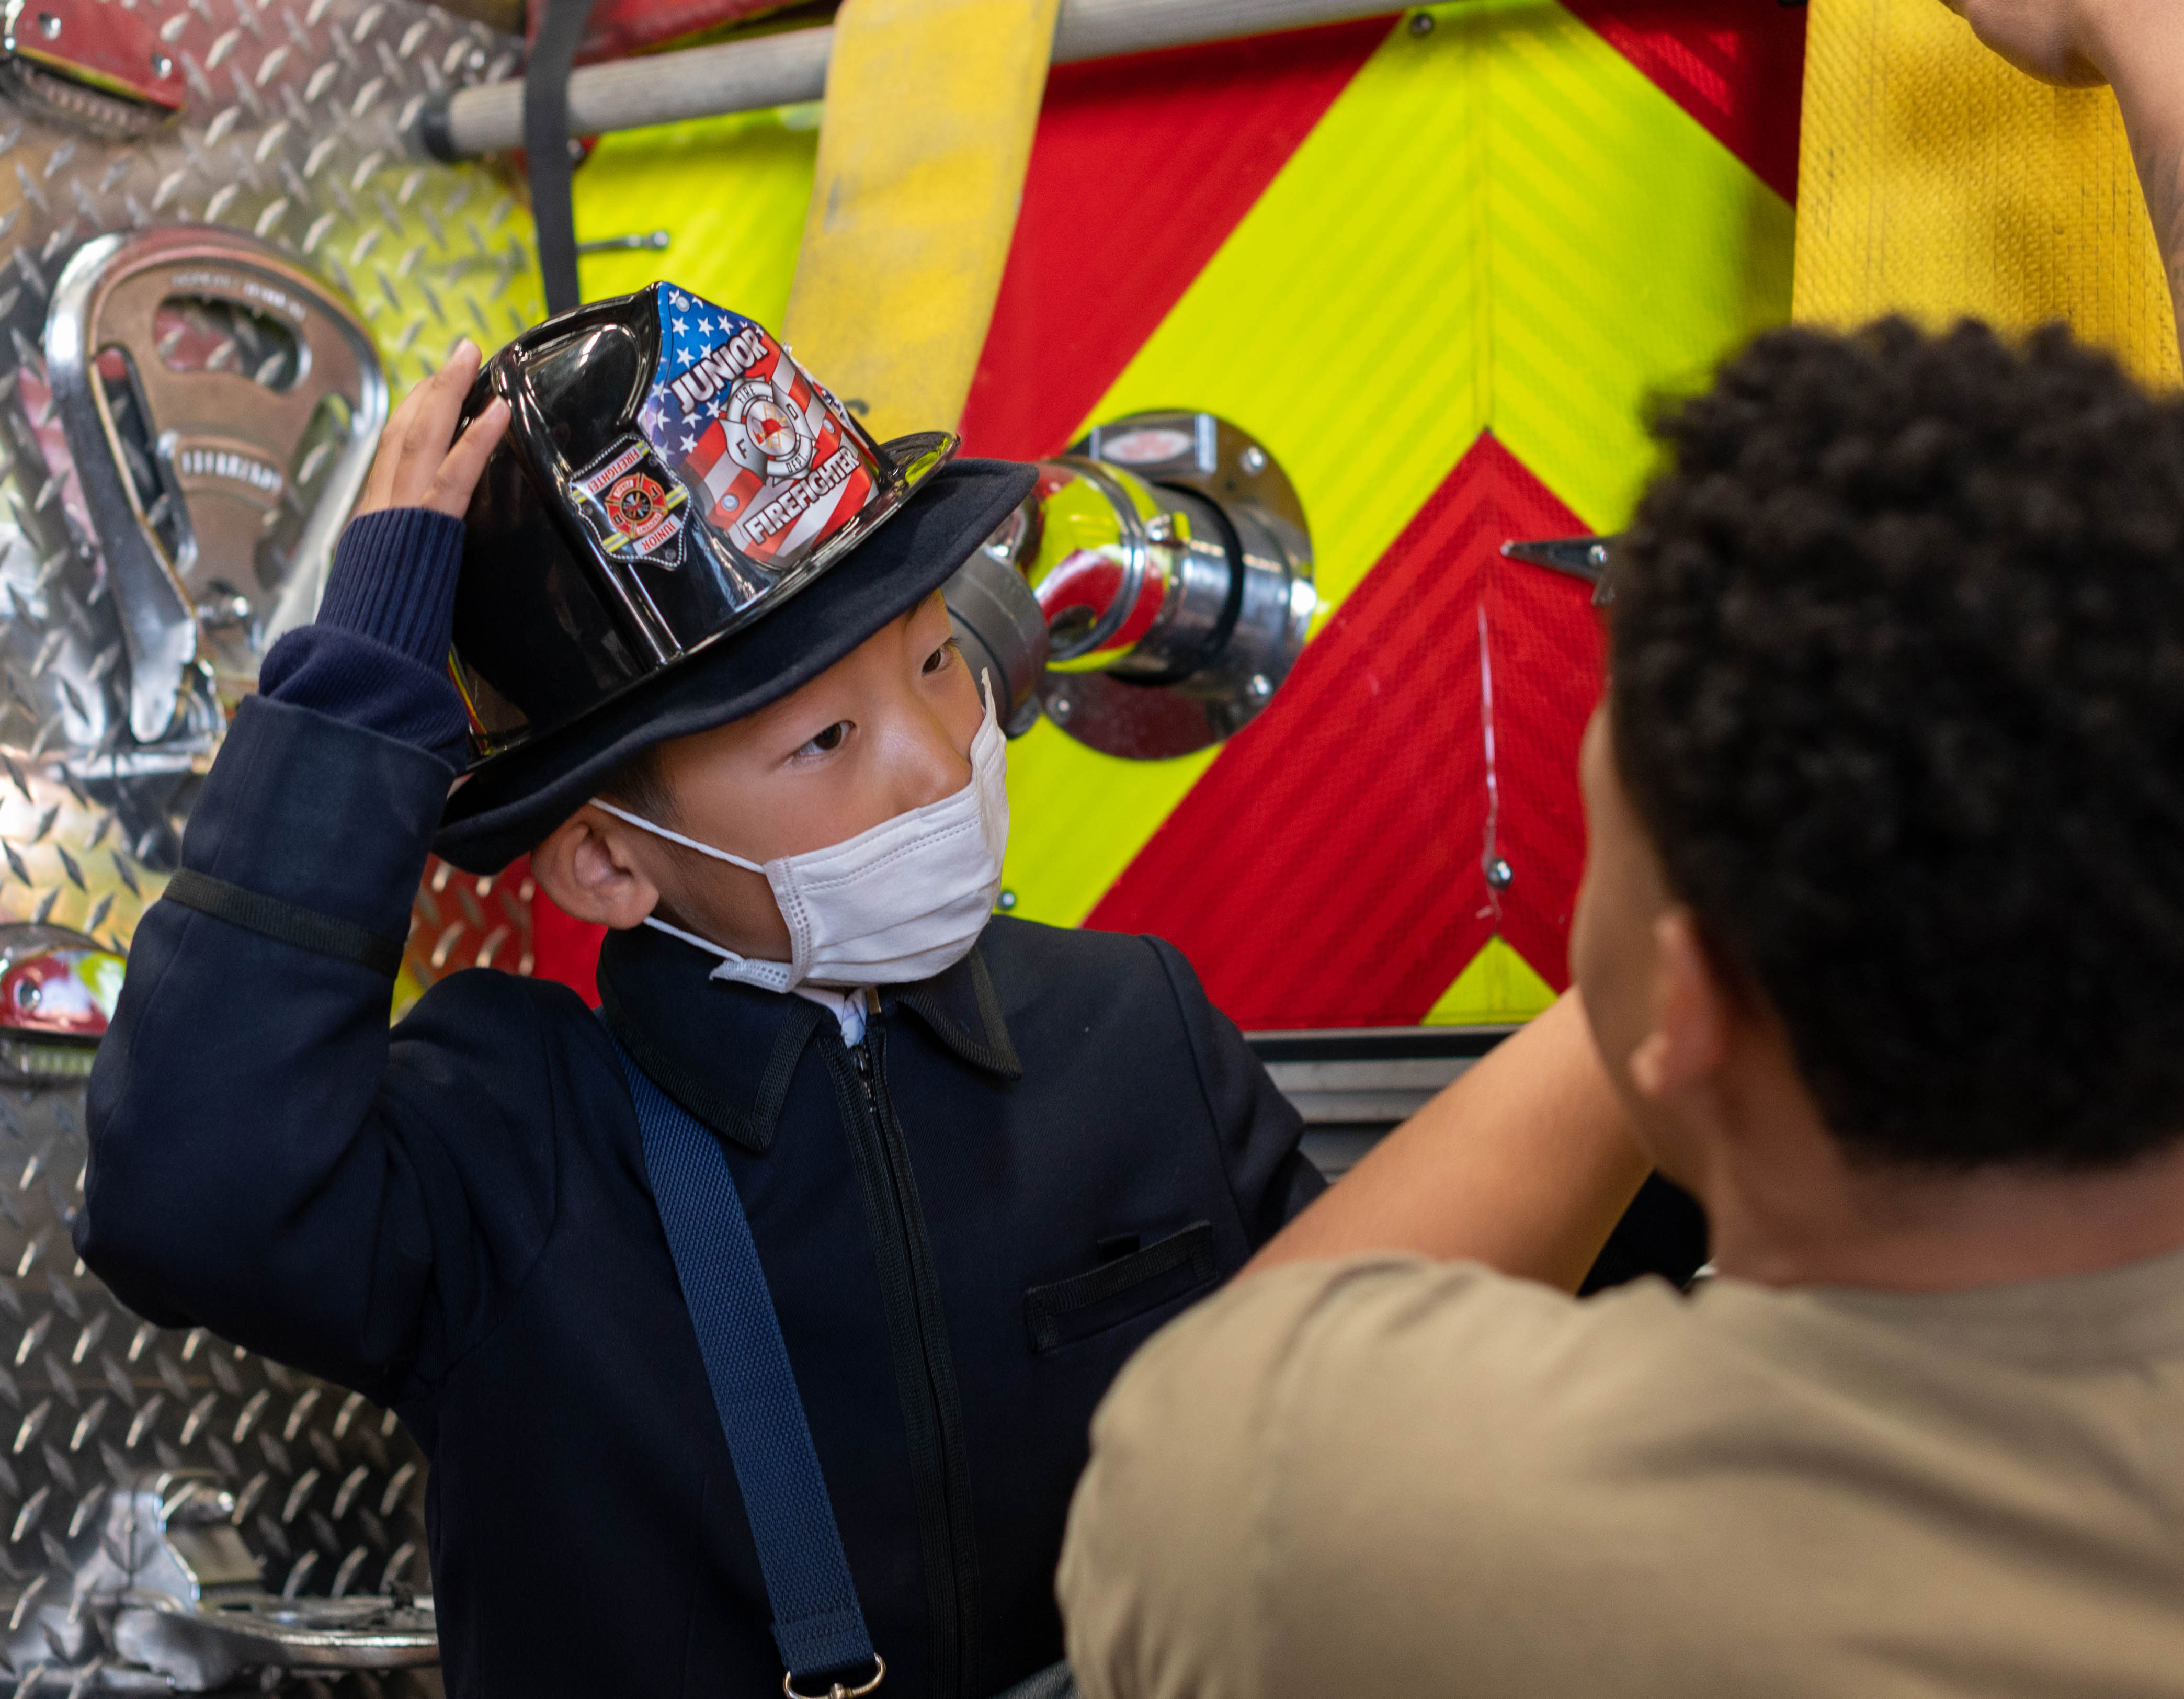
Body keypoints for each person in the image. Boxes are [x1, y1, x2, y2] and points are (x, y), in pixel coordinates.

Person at [1054, 0, 2184, 1692]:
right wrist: (2179, 34)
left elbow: (1269, 1350)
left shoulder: (1315, 1529)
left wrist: (1757, 898)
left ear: (1682, 999)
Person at [76, 286, 1332, 1699]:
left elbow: (1357, 1405)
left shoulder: (1134, 1030)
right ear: (610, 861)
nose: (934, 760)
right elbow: (188, 1196)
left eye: (936, 661)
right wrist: (357, 688)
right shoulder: (509, 1138)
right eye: (826, 739)